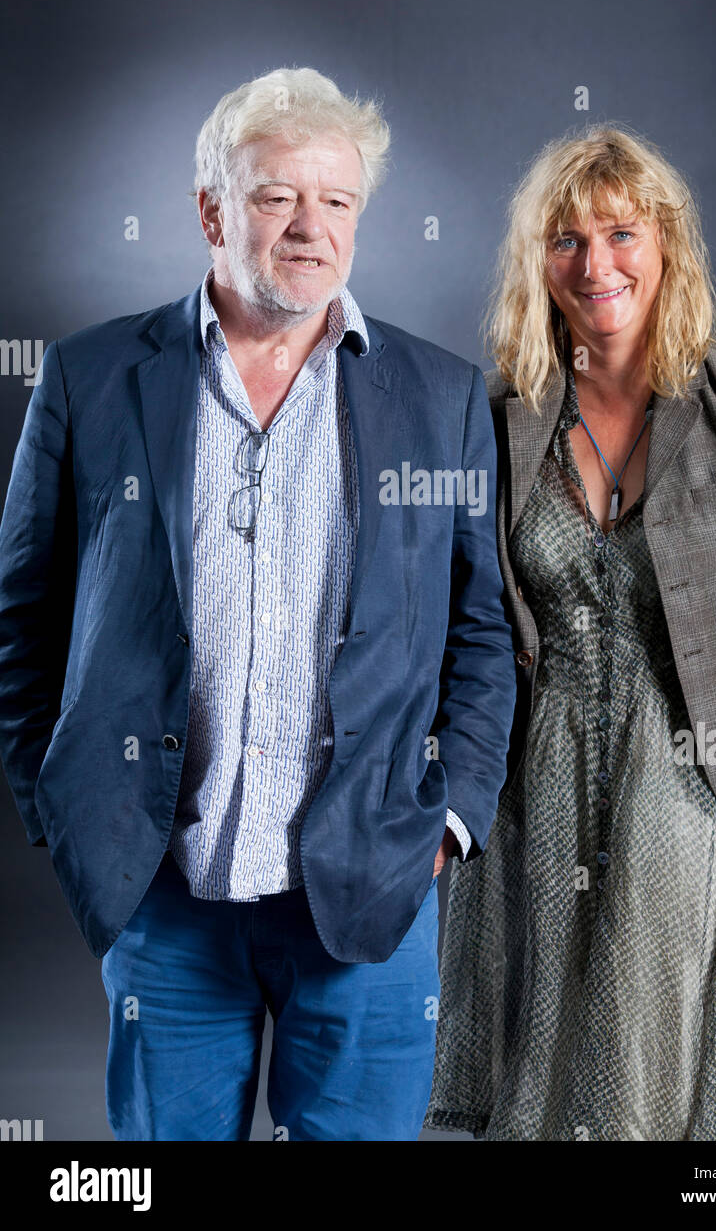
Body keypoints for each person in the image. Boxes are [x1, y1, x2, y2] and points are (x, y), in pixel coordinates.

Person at [0, 67, 516, 1141]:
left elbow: (480, 633)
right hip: (164, 891)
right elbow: (23, 614)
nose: (308, 226)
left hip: (372, 888)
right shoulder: (92, 379)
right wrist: (66, 805)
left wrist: (450, 819)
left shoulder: (439, 397)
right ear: (210, 210)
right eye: (276, 195)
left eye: (335, 201)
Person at [423, 123, 716, 1141]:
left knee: (645, 1026)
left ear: (665, 244)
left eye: (619, 233)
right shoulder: (496, 413)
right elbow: (458, 612)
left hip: (687, 761)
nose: (595, 264)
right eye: (566, 240)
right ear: (539, 261)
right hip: (533, 760)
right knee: (530, 1022)